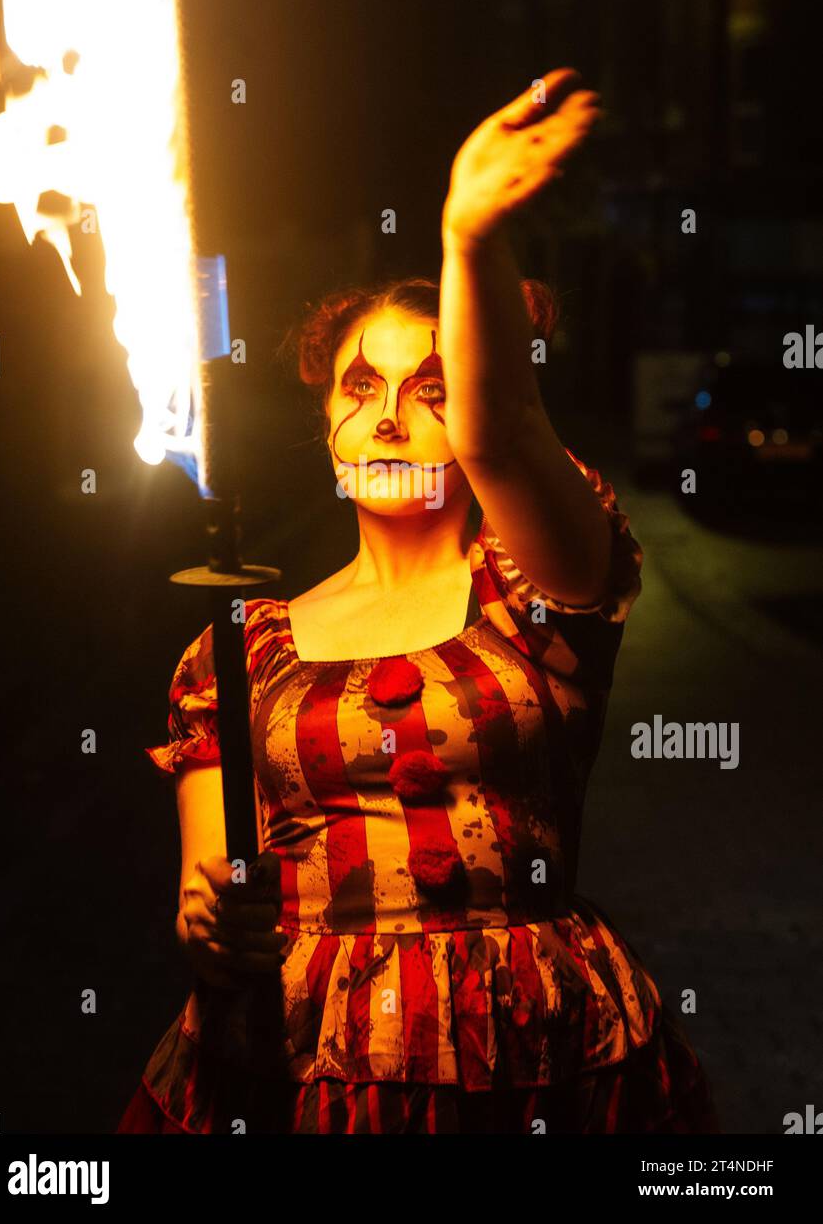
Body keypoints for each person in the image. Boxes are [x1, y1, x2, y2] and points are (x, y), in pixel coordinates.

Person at [117, 69, 719, 1134]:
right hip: (301, 1072)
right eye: (360, 386)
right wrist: (215, 922)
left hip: (530, 1063)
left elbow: (509, 435)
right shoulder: (236, 646)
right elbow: (199, 896)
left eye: (431, 389)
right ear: (327, 425)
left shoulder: (541, 585)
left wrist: (470, 235)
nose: (391, 418)